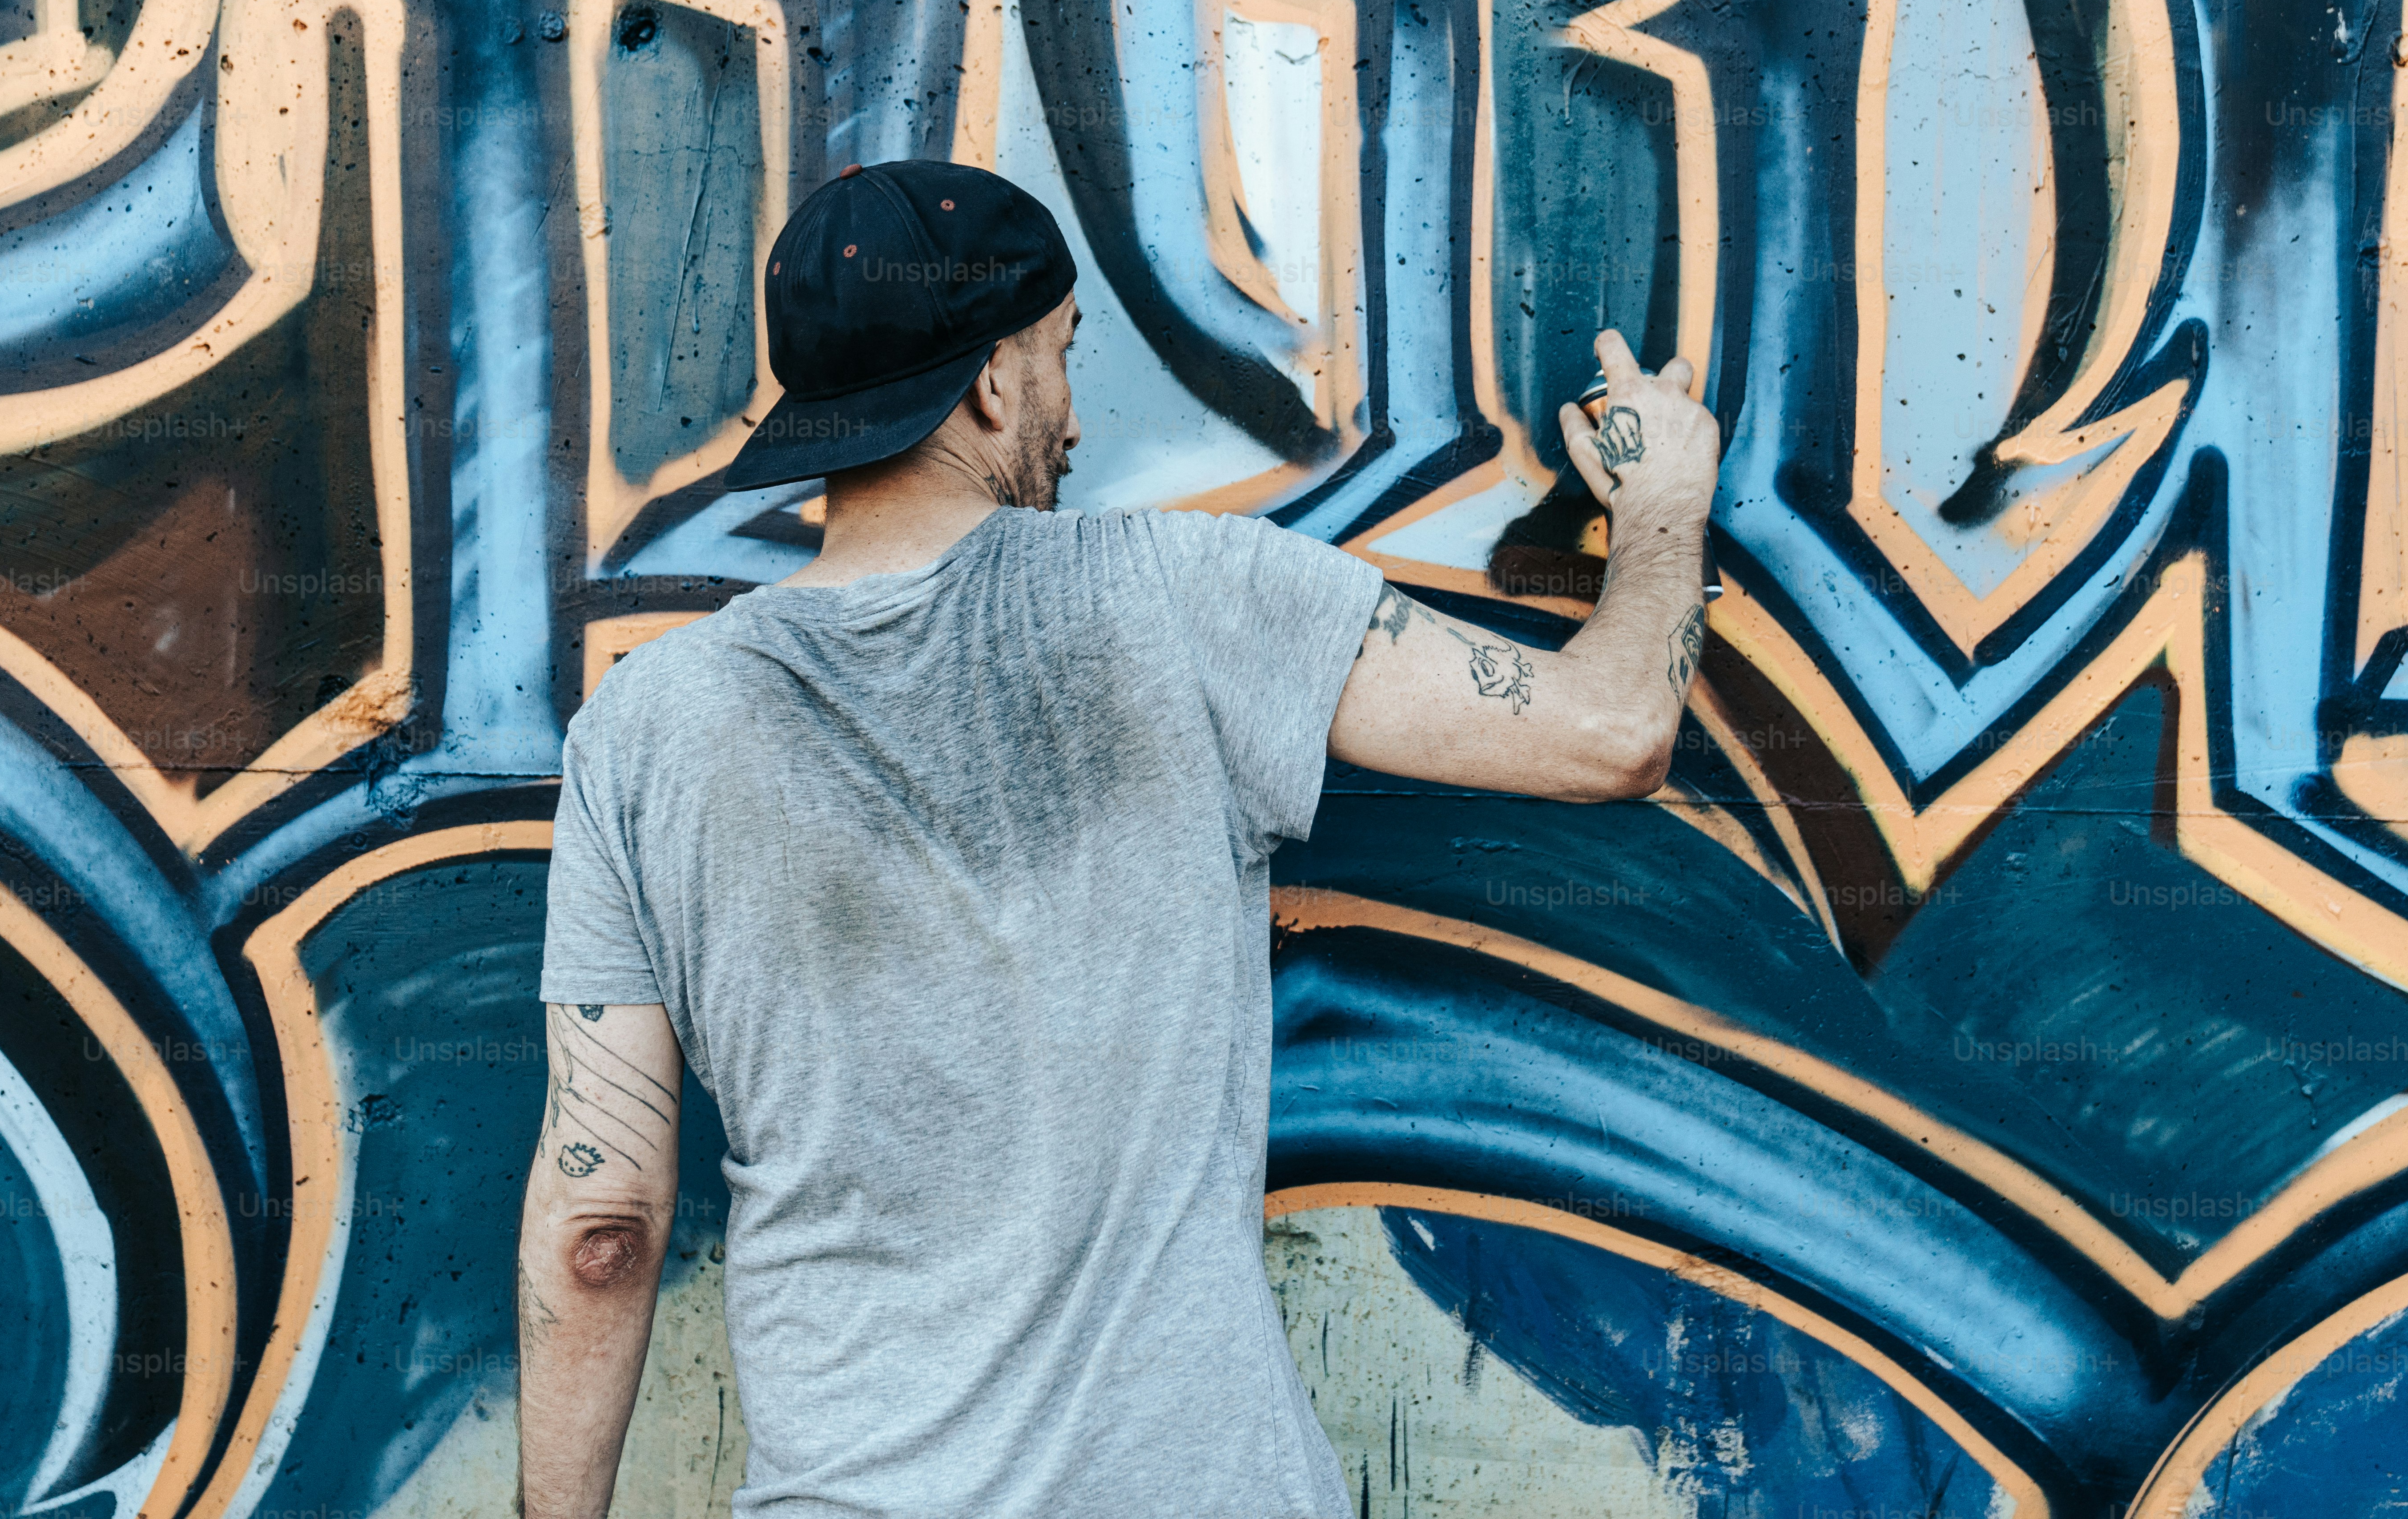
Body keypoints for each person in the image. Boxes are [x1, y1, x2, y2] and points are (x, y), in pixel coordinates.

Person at [515, 159, 1719, 1519]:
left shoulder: (645, 732)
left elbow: (600, 1225)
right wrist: (1664, 501)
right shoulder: (1181, 599)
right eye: (1063, 355)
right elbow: (1614, 731)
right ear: (992, 382)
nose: (1075, 419)